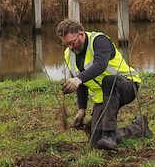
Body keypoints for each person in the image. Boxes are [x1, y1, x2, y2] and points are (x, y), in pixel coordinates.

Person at [57, 18, 150, 150]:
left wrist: (78, 79)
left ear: (81, 35)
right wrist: (81, 109)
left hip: (126, 85)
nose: (70, 48)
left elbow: (100, 65)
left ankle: (110, 134)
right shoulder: (69, 55)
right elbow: (81, 84)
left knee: (108, 80)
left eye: (72, 43)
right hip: (103, 96)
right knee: (97, 143)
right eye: (67, 45)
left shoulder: (99, 41)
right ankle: (138, 128)